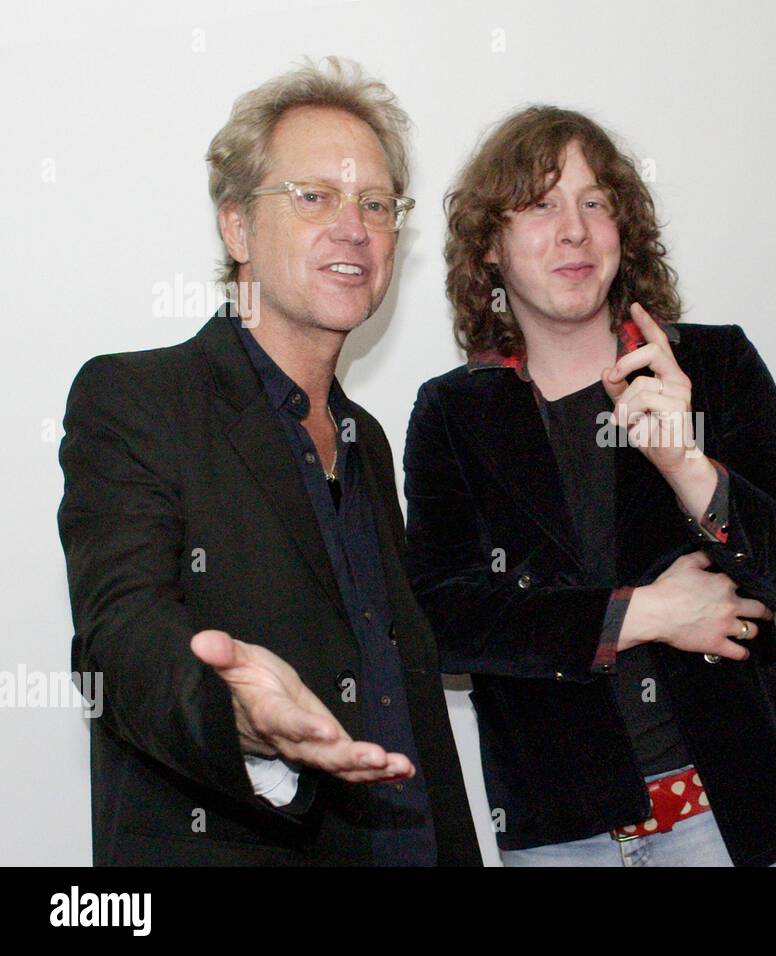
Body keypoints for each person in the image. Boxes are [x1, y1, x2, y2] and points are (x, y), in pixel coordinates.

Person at [57, 57, 480, 865]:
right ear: (237, 226)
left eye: (376, 203)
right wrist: (244, 723)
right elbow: (120, 642)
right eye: (313, 196)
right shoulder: (136, 398)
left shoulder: (369, 438)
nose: (354, 226)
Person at [404, 106, 776, 866]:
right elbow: (445, 621)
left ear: (622, 230)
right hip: (561, 835)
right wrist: (640, 615)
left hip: (731, 817)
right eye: (541, 204)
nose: (573, 229)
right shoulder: (453, 411)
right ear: (490, 249)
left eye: (595, 202)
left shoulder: (715, 364)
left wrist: (687, 466)